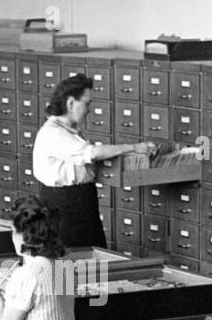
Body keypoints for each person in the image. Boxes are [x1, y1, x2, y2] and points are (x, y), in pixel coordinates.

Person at [32, 74, 158, 247]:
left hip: (81, 199)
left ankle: (91, 275)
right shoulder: (53, 134)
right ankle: (71, 276)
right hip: (64, 204)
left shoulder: (68, 130)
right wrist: (133, 148)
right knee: (70, 261)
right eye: (87, 104)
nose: (89, 109)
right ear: (70, 103)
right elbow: (91, 153)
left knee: (94, 260)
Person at [0, 196, 77, 320]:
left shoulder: (26, 274)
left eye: (14, 231)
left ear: (23, 235)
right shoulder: (66, 264)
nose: (12, 236)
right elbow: (34, 254)